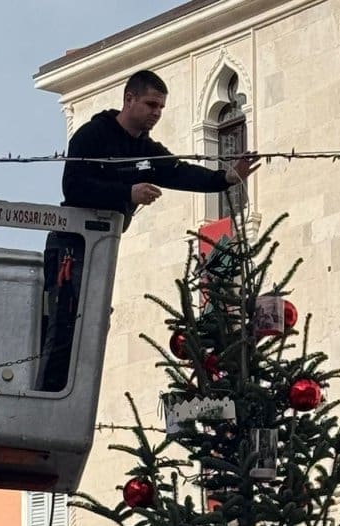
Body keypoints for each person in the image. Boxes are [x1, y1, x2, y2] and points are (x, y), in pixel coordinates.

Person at [36, 68, 260, 391]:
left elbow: (180, 172)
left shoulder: (146, 150)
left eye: (161, 108)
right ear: (129, 99)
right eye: (151, 105)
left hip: (103, 246)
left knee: (91, 330)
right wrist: (127, 193)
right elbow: (74, 187)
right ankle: (49, 401)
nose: (156, 114)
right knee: (65, 327)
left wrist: (224, 178)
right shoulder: (92, 136)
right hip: (71, 246)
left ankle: (72, 396)